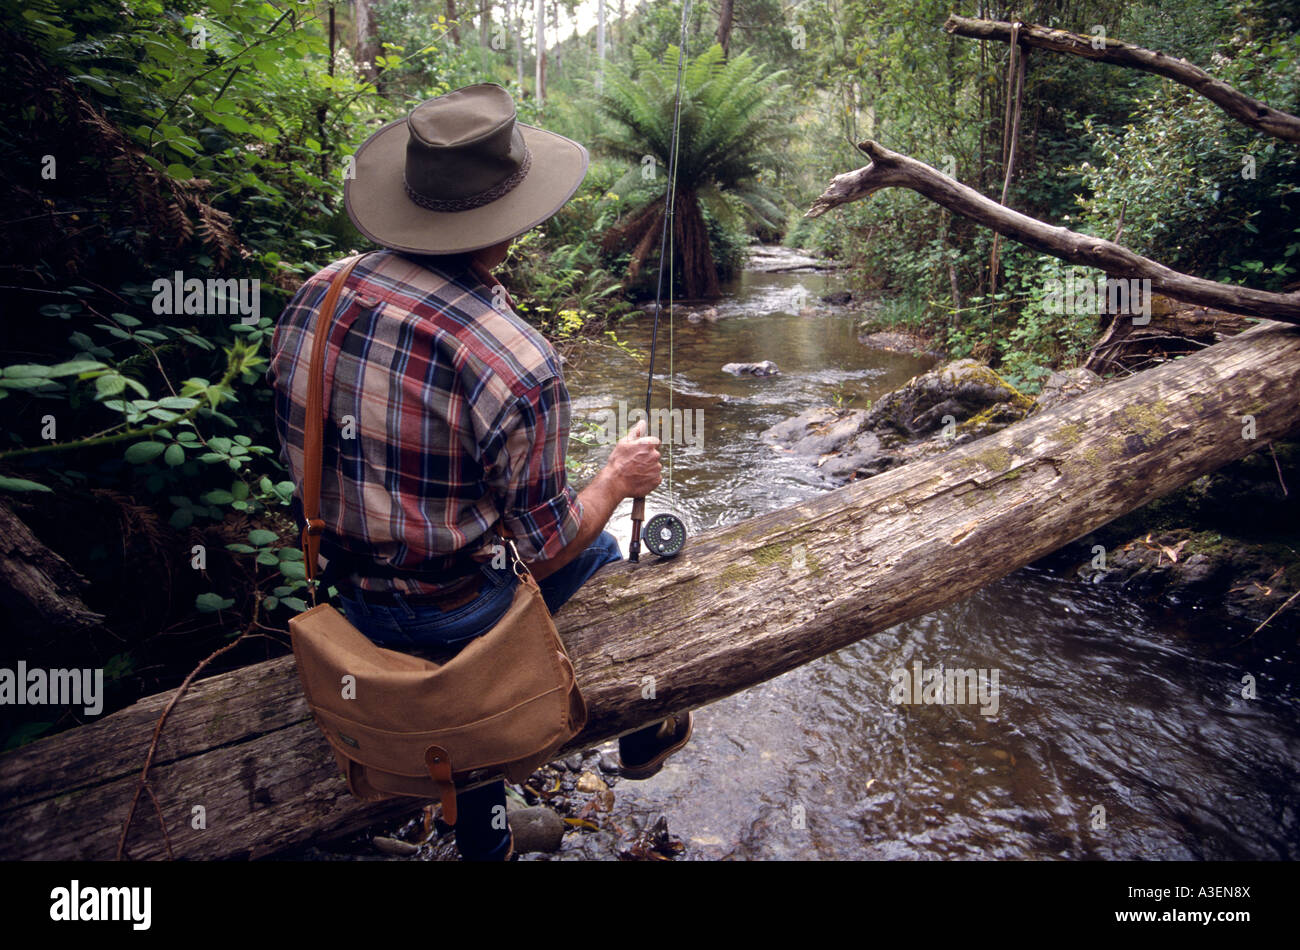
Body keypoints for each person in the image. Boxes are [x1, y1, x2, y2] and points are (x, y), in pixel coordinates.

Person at [267, 83, 692, 861]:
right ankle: (645, 735)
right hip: (455, 618)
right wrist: (619, 479)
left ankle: (482, 835)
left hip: (344, 599)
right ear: (510, 222)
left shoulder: (315, 295)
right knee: (603, 555)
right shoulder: (514, 358)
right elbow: (548, 545)